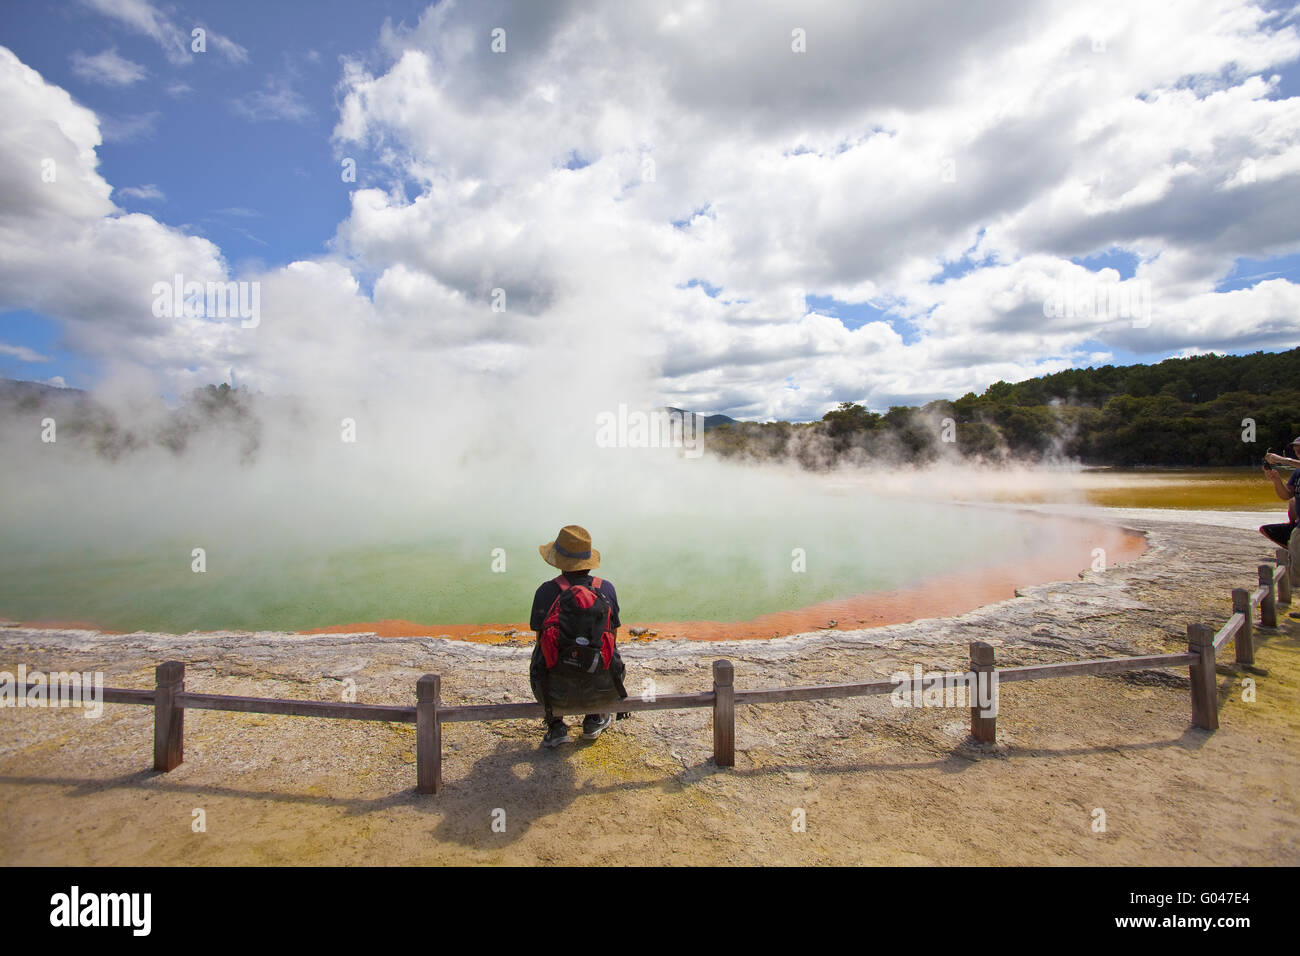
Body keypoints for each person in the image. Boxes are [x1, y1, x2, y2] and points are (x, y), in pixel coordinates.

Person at [528, 525, 628, 748]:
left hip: (554, 692)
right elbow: (613, 640)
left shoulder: (546, 592)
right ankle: (594, 719)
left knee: (540, 655)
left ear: (560, 560)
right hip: (602, 690)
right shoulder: (606, 589)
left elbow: (540, 642)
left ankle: (556, 726)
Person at [1261, 437, 1300, 553]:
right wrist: (1276, 480)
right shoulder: (1297, 472)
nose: (1298, 453)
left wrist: (1283, 460)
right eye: (1296, 450)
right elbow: (1286, 495)